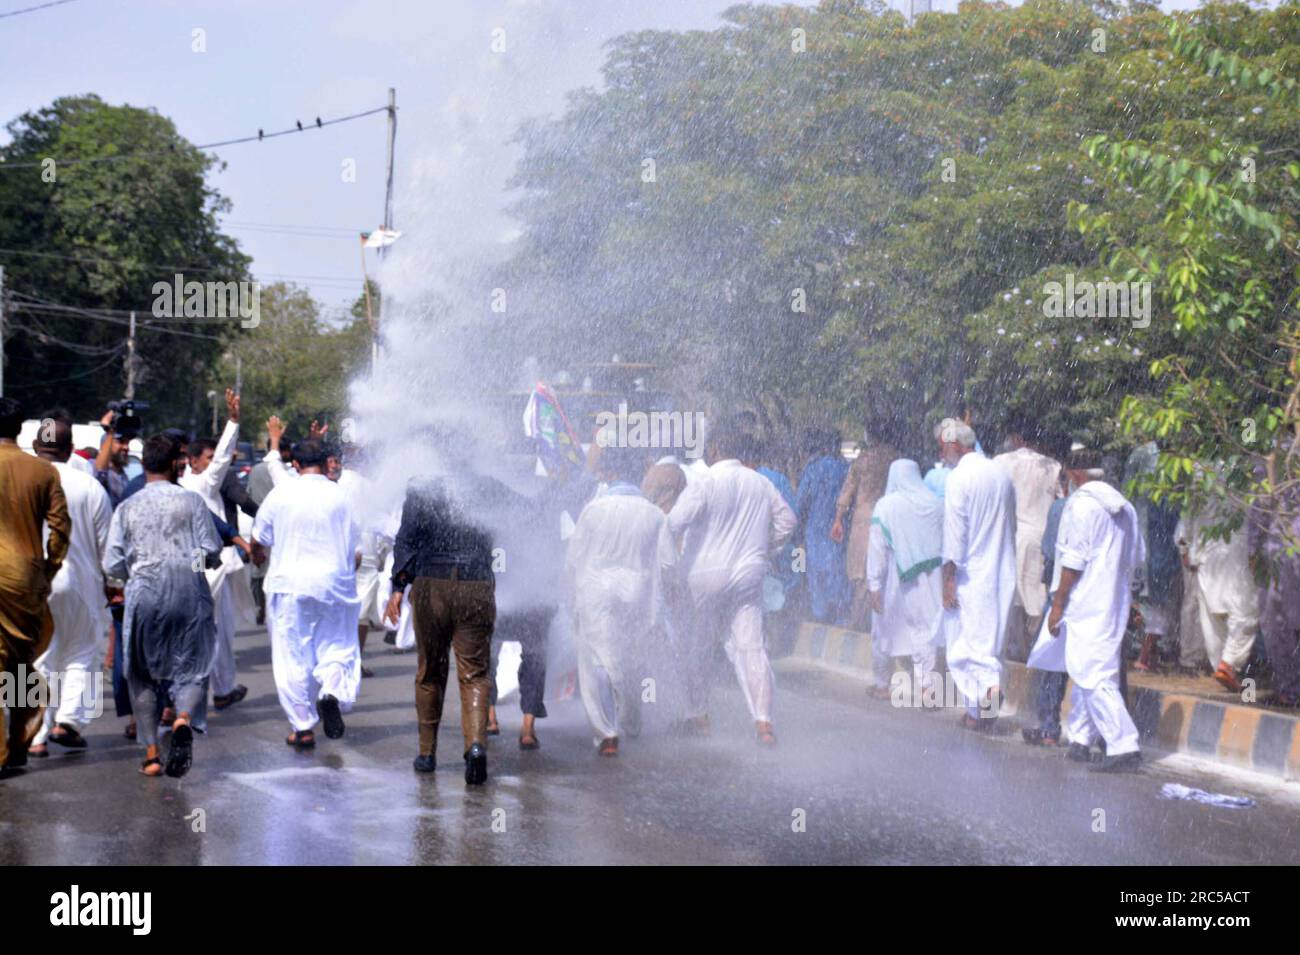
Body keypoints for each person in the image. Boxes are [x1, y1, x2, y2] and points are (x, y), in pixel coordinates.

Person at [667, 425, 796, 745]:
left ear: (713, 452)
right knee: (752, 647)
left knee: (698, 646)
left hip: (703, 577)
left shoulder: (705, 483)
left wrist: (668, 566)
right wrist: (764, 550)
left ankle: (697, 715)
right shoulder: (761, 482)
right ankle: (764, 723)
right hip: (748, 576)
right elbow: (788, 521)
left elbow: (672, 524)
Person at [104, 433, 222, 778]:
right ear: (175, 464)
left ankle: (152, 754)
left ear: (144, 465)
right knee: (194, 666)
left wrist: (138, 571)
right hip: (190, 595)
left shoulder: (127, 507)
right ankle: (182, 719)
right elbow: (210, 551)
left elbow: (112, 564)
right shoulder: (192, 502)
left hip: (144, 595)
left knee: (140, 673)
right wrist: (192, 568)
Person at [1035, 449, 1145, 772]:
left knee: (1091, 672)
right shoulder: (1126, 507)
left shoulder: (1081, 504)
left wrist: (1058, 604)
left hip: (1086, 600)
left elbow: (1073, 561)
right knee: (1095, 669)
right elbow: (1137, 557)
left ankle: (1124, 744)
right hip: (1114, 599)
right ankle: (1081, 738)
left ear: (1076, 475)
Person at [566, 446, 677, 754]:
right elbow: (668, 564)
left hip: (596, 593)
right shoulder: (654, 514)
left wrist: (570, 596)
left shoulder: (592, 510)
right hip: (638, 594)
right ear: (638, 474)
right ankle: (631, 721)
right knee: (630, 657)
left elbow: (573, 561)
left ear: (610, 473)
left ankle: (607, 732)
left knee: (597, 662)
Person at [386, 473, 496, 783]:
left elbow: (406, 538)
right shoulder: (486, 482)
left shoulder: (422, 484)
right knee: (474, 672)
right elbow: (520, 515)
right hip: (477, 582)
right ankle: (475, 746)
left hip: (431, 582)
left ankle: (426, 754)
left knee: (430, 670)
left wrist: (398, 585)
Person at [252, 438, 361, 749]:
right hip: (333, 585)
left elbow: (261, 535)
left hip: (290, 585)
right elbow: (355, 546)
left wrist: (257, 554)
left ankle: (302, 727)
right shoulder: (341, 496)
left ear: (295, 465)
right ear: (325, 461)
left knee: (292, 655)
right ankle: (331, 691)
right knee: (337, 646)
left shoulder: (281, 493)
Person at [28, 411, 112, 757]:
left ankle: (32, 736)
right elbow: (108, 548)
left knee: (35, 659)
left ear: (36, 447)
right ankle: (69, 721)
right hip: (79, 583)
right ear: (70, 449)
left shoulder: (19, 481)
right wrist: (114, 585)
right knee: (82, 651)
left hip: (30, 584)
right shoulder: (89, 486)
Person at [0, 397, 70, 777]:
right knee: (21, 666)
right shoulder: (42, 471)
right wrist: (49, 569)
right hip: (25, 578)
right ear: (20, 429)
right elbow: (60, 529)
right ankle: (19, 745)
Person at [939, 418, 1017, 729]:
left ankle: (989, 691)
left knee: (963, 645)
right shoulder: (1000, 472)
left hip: (971, 574)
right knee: (988, 642)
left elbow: (954, 535)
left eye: (942, 448)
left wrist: (948, 580)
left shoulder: (959, 478)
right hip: (1002, 569)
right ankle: (977, 714)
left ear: (954, 445)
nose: (941, 454)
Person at [180, 388, 247, 711]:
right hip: (208, 565)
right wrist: (233, 423)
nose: (214, 465)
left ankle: (218, 690)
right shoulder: (201, 483)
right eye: (205, 460)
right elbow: (221, 461)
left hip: (197, 565)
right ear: (192, 462)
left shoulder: (178, 486)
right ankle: (208, 693)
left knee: (216, 630)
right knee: (214, 632)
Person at [865, 460, 944, 704]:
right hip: (931, 578)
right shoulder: (935, 504)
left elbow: (877, 549)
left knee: (883, 629)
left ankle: (882, 684)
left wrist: (874, 585)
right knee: (925, 630)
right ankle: (927, 689)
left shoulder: (886, 506)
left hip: (894, 579)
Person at [993, 425, 1061, 662]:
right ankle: (1033, 648)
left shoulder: (1002, 462)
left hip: (1015, 535)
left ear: (1016, 437)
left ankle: (1018, 646)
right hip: (1042, 536)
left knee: (1013, 595)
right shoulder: (1053, 466)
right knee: (1038, 592)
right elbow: (1059, 499)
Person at [1177, 506, 1260, 692]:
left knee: (1213, 616)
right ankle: (1229, 663)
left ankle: (1224, 666)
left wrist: (1184, 549)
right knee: (1246, 613)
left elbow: (1185, 520)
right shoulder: (1248, 479)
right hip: (1238, 554)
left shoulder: (1199, 478)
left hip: (1206, 554)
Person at [833, 420, 898, 630]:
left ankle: (857, 621)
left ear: (870, 435)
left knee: (862, 572)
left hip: (864, 520)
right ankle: (880, 622)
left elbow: (847, 492)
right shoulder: (896, 459)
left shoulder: (863, 460)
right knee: (885, 571)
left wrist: (838, 519)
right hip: (890, 518)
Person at [1022, 469, 1071, 746]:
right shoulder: (1118, 506)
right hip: (1098, 602)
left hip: (1061, 596)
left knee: (1051, 663)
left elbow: (1049, 553)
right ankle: (1093, 739)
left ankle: (1049, 727)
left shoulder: (1061, 508)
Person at [1248, 488, 1300, 706]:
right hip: (1279, 555)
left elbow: (1257, 510)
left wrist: (1252, 550)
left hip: (1284, 554)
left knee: (1280, 622)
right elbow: (1259, 507)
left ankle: (1290, 689)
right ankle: (1289, 689)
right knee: (1278, 622)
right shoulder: (1275, 467)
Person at [795, 430, 850, 626]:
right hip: (839, 534)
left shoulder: (813, 469)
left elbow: (800, 503)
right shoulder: (847, 468)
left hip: (816, 534)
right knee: (839, 575)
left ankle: (820, 617)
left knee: (816, 577)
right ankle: (840, 617)